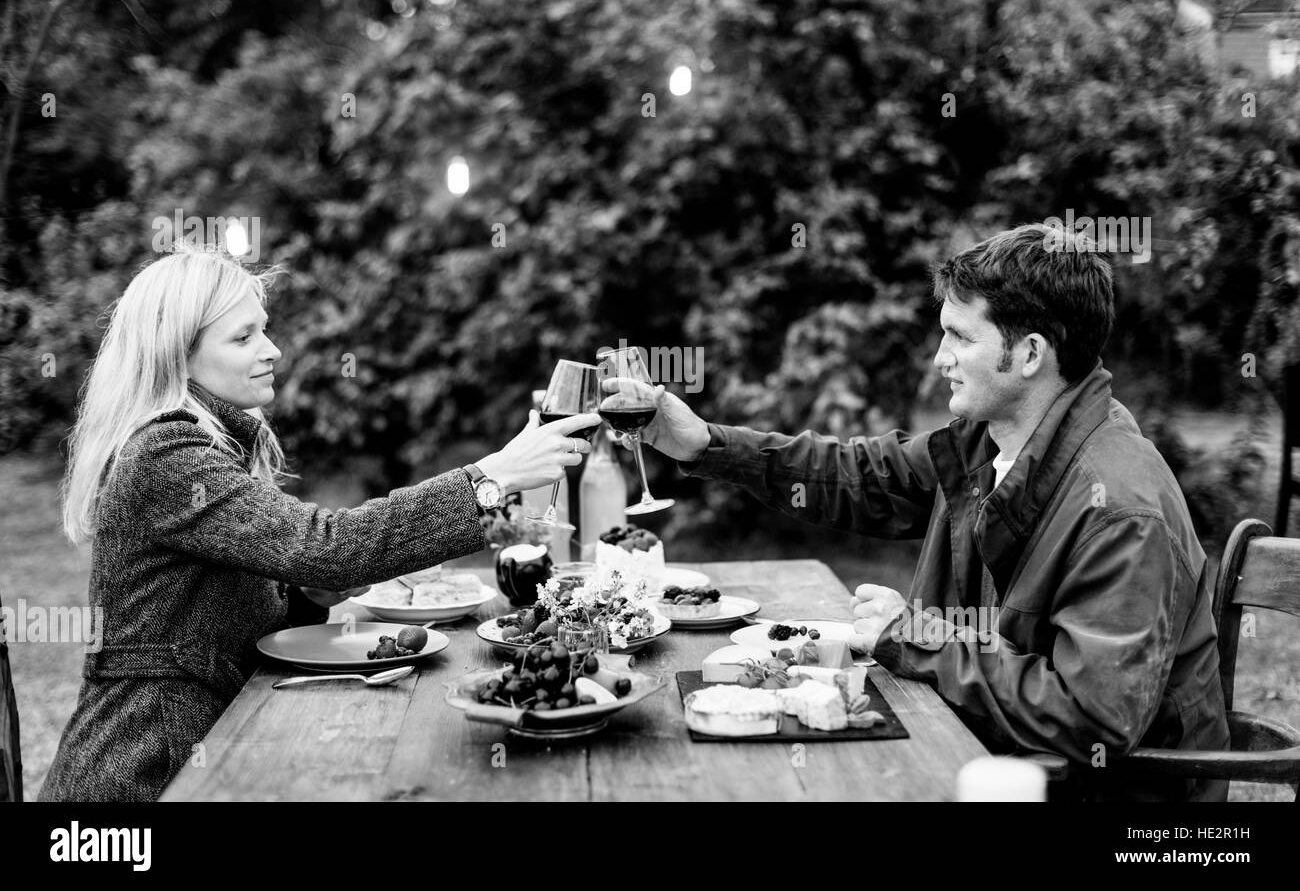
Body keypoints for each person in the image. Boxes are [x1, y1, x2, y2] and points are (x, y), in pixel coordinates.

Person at [632, 223, 1230, 801]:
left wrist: (916, 639)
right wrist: (706, 445)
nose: (940, 357)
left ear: (1029, 354)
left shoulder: (1120, 511)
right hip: (982, 748)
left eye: (961, 338)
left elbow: (1091, 717)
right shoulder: (987, 440)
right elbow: (861, 476)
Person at [39, 248, 599, 801]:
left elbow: (245, 606)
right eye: (243, 338)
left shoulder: (209, 445)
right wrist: (489, 481)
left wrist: (309, 598)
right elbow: (326, 546)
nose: (273, 350)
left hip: (207, 746)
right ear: (176, 357)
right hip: (143, 770)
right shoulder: (167, 453)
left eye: (264, 330)